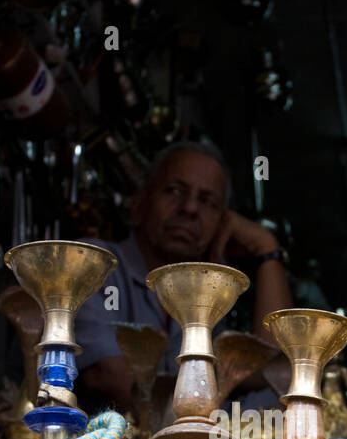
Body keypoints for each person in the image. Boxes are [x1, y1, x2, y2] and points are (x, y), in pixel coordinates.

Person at [73, 141, 292, 414]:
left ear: (220, 225)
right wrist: (210, 416)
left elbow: (274, 372)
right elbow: (111, 379)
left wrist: (267, 250)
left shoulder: (207, 294)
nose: (189, 208)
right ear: (139, 204)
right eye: (174, 191)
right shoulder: (94, 264)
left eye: (207, 201)